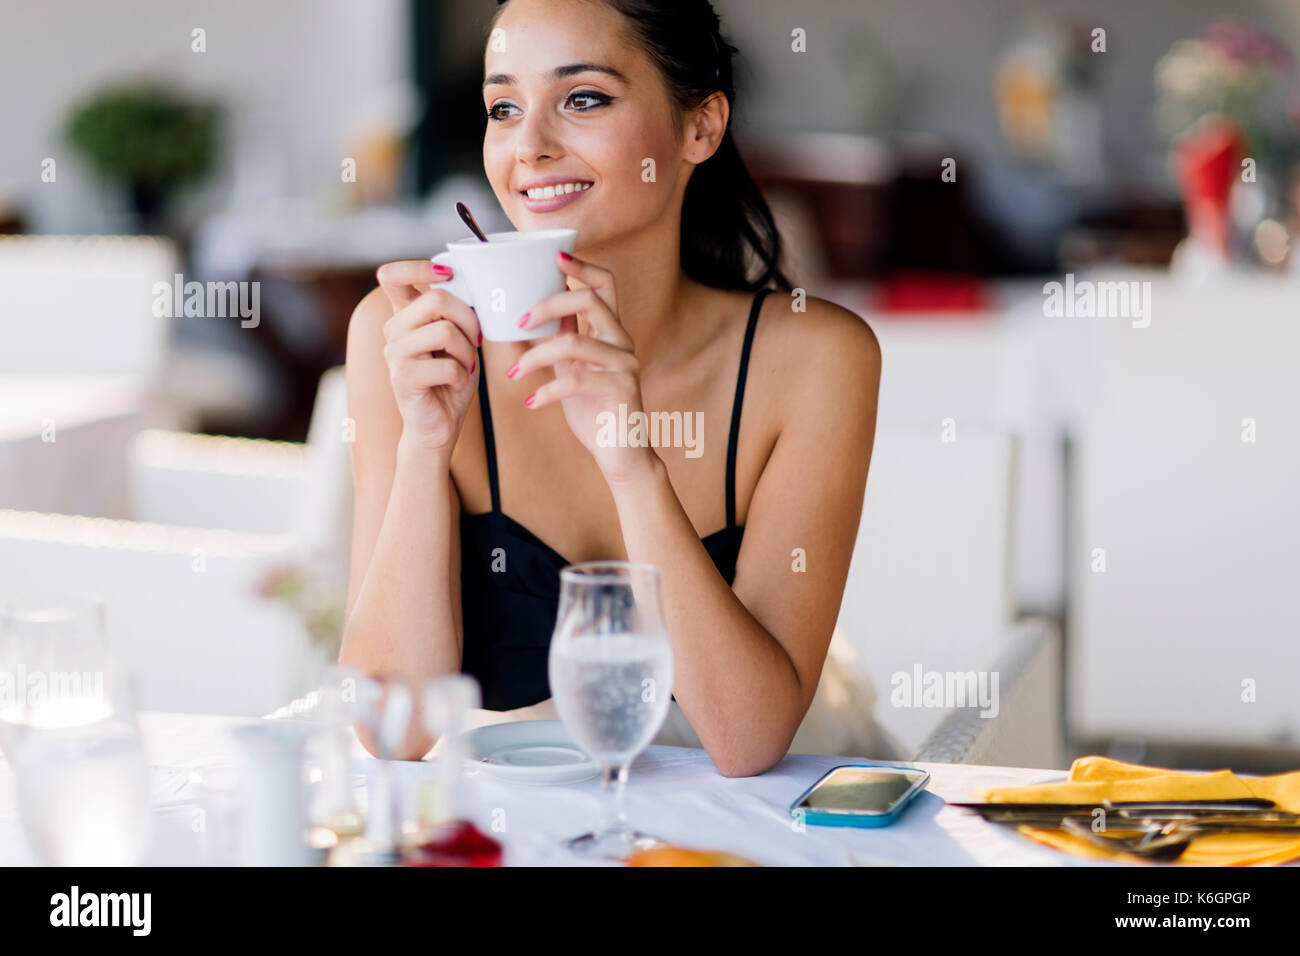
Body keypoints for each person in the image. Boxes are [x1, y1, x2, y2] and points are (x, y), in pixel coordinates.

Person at [341, 0, 881, 776]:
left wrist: (633, 465)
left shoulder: (816, 359)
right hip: (514, 830)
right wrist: (429, 445)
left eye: (583, 98)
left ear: (700, 127)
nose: (529, 147)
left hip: (747, 832)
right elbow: (396, 732)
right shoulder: (406, 334)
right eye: (504, 107)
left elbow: (747, 740)